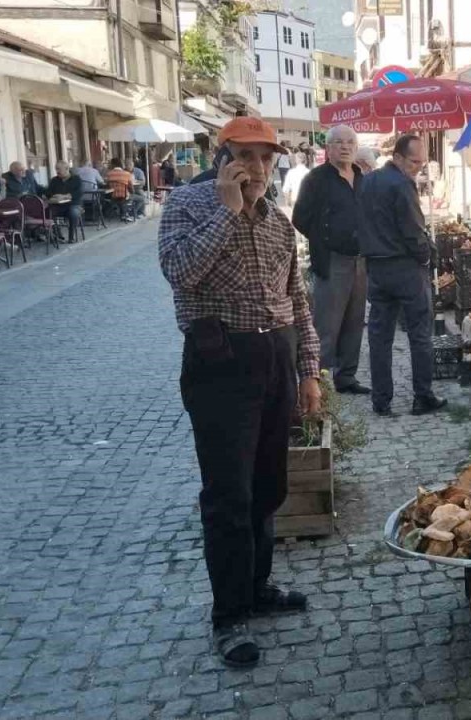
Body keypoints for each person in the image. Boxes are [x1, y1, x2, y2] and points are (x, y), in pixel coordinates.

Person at [158, 116, 321, 669]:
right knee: (228, 495)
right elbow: (180, 272)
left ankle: (257, 587)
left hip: (274, 356)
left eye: (266, 158)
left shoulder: (277, 221)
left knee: (268, 484)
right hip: (219, 360)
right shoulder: (188, 205)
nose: (256, 168)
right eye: (245, 156)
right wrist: (227, 214)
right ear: (221, 155)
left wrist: (310, 370)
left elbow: (297, 300)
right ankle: (229, 615)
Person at [357, 134, 447, 418]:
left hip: (377, 267)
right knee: (420, 334)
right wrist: (425, 256)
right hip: (405, 268)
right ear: (396, 157)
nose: (418, 168)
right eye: (414, 162)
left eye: (422, 163)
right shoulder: (401, 183)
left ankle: (381, 401)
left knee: (379, 337)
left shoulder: (367, 181)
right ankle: (423, 396)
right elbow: (412, 231)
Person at [292, 125, 369, 397]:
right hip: (333, 260)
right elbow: (299, 218)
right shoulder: (316, 178)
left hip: (360, 260)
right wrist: (323, 241)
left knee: (354, 321)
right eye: (339, 142)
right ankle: (319, 381)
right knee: (326, 324)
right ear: (328, 148)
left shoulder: (361, 177)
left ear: (356, 147)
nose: (345, 147)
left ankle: (346, 377)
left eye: (350, 142)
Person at [45, 161, 84, 232]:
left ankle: (71, 235)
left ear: (66, 169)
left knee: (73, 213)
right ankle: (56, 234)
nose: (57, 171)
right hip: (58, 206)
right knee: (46, 212)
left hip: (73, 205)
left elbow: (79, 193)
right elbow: (48, 193)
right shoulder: (54, 180)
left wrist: (64, 196)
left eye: (59, 169)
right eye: (56, 169)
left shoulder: (76, 179)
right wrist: (54, 197)